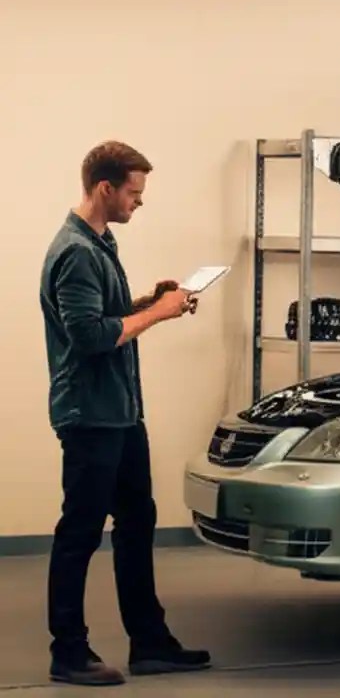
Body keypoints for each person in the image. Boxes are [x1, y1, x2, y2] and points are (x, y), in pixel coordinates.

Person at [39, 141, 212, 686]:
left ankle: (150, 642)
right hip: (90, 415)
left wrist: (146, 303)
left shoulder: (101, 244)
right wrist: (158, 316)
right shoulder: (75, 252)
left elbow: (104, 316)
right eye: (134, 193)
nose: (140, 203)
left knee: (138, 521)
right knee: (81, 531)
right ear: (104, 189)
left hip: (119, 413)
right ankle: (68, 651)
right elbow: (90, 338)